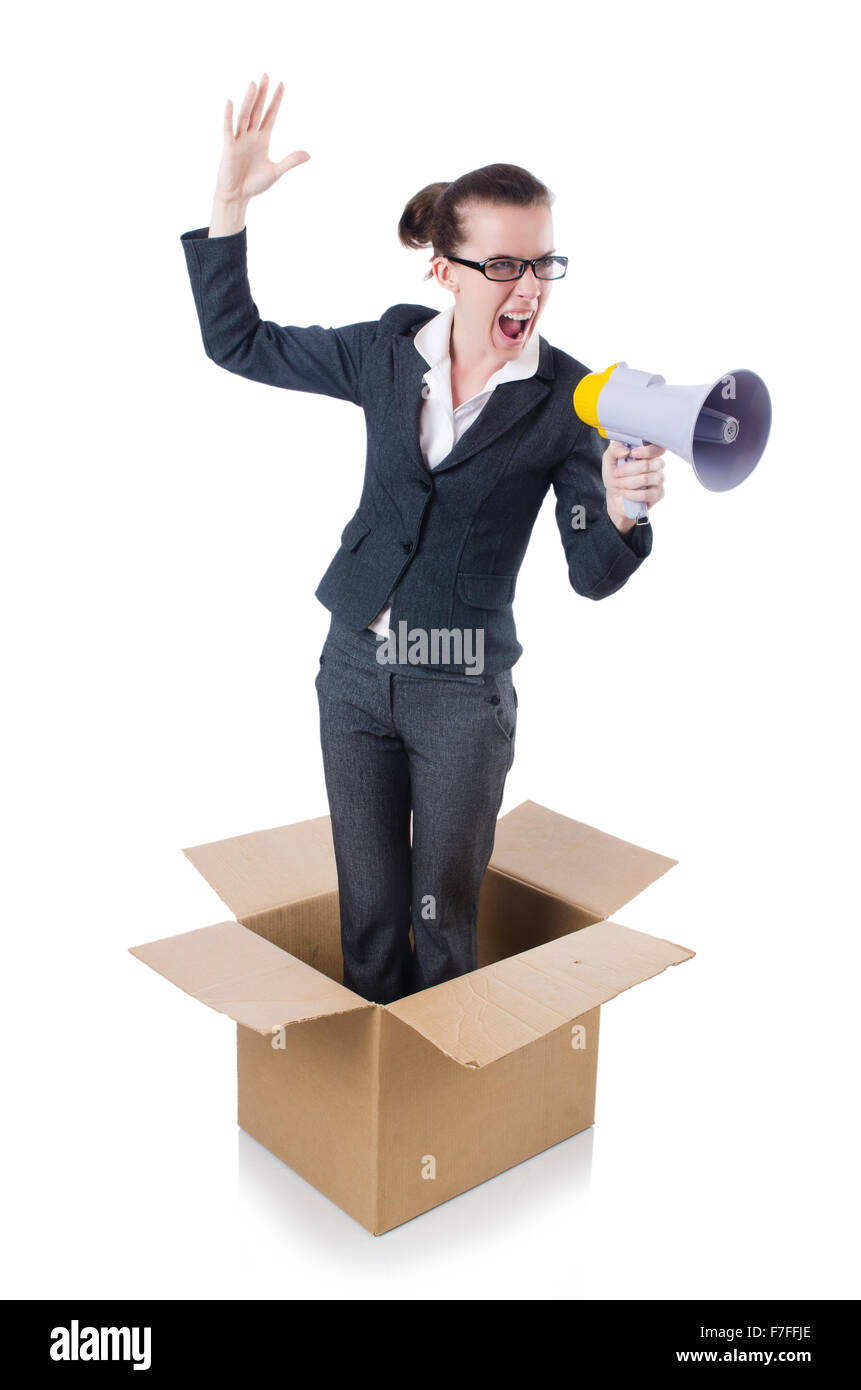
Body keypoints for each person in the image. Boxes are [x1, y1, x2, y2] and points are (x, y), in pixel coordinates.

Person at [180, 73, 666, 1006]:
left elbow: (591, 575)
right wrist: (229, 206)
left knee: (442, 919)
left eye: (543, 264)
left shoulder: (570, 405)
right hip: (354, 668)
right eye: (503, 265)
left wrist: (617, 508)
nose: (527, 286)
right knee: (367, 913)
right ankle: (372, 1113)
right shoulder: (381, 354)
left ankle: (447, 1104)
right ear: (444, 269)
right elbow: (238, 343)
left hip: (458, 686)